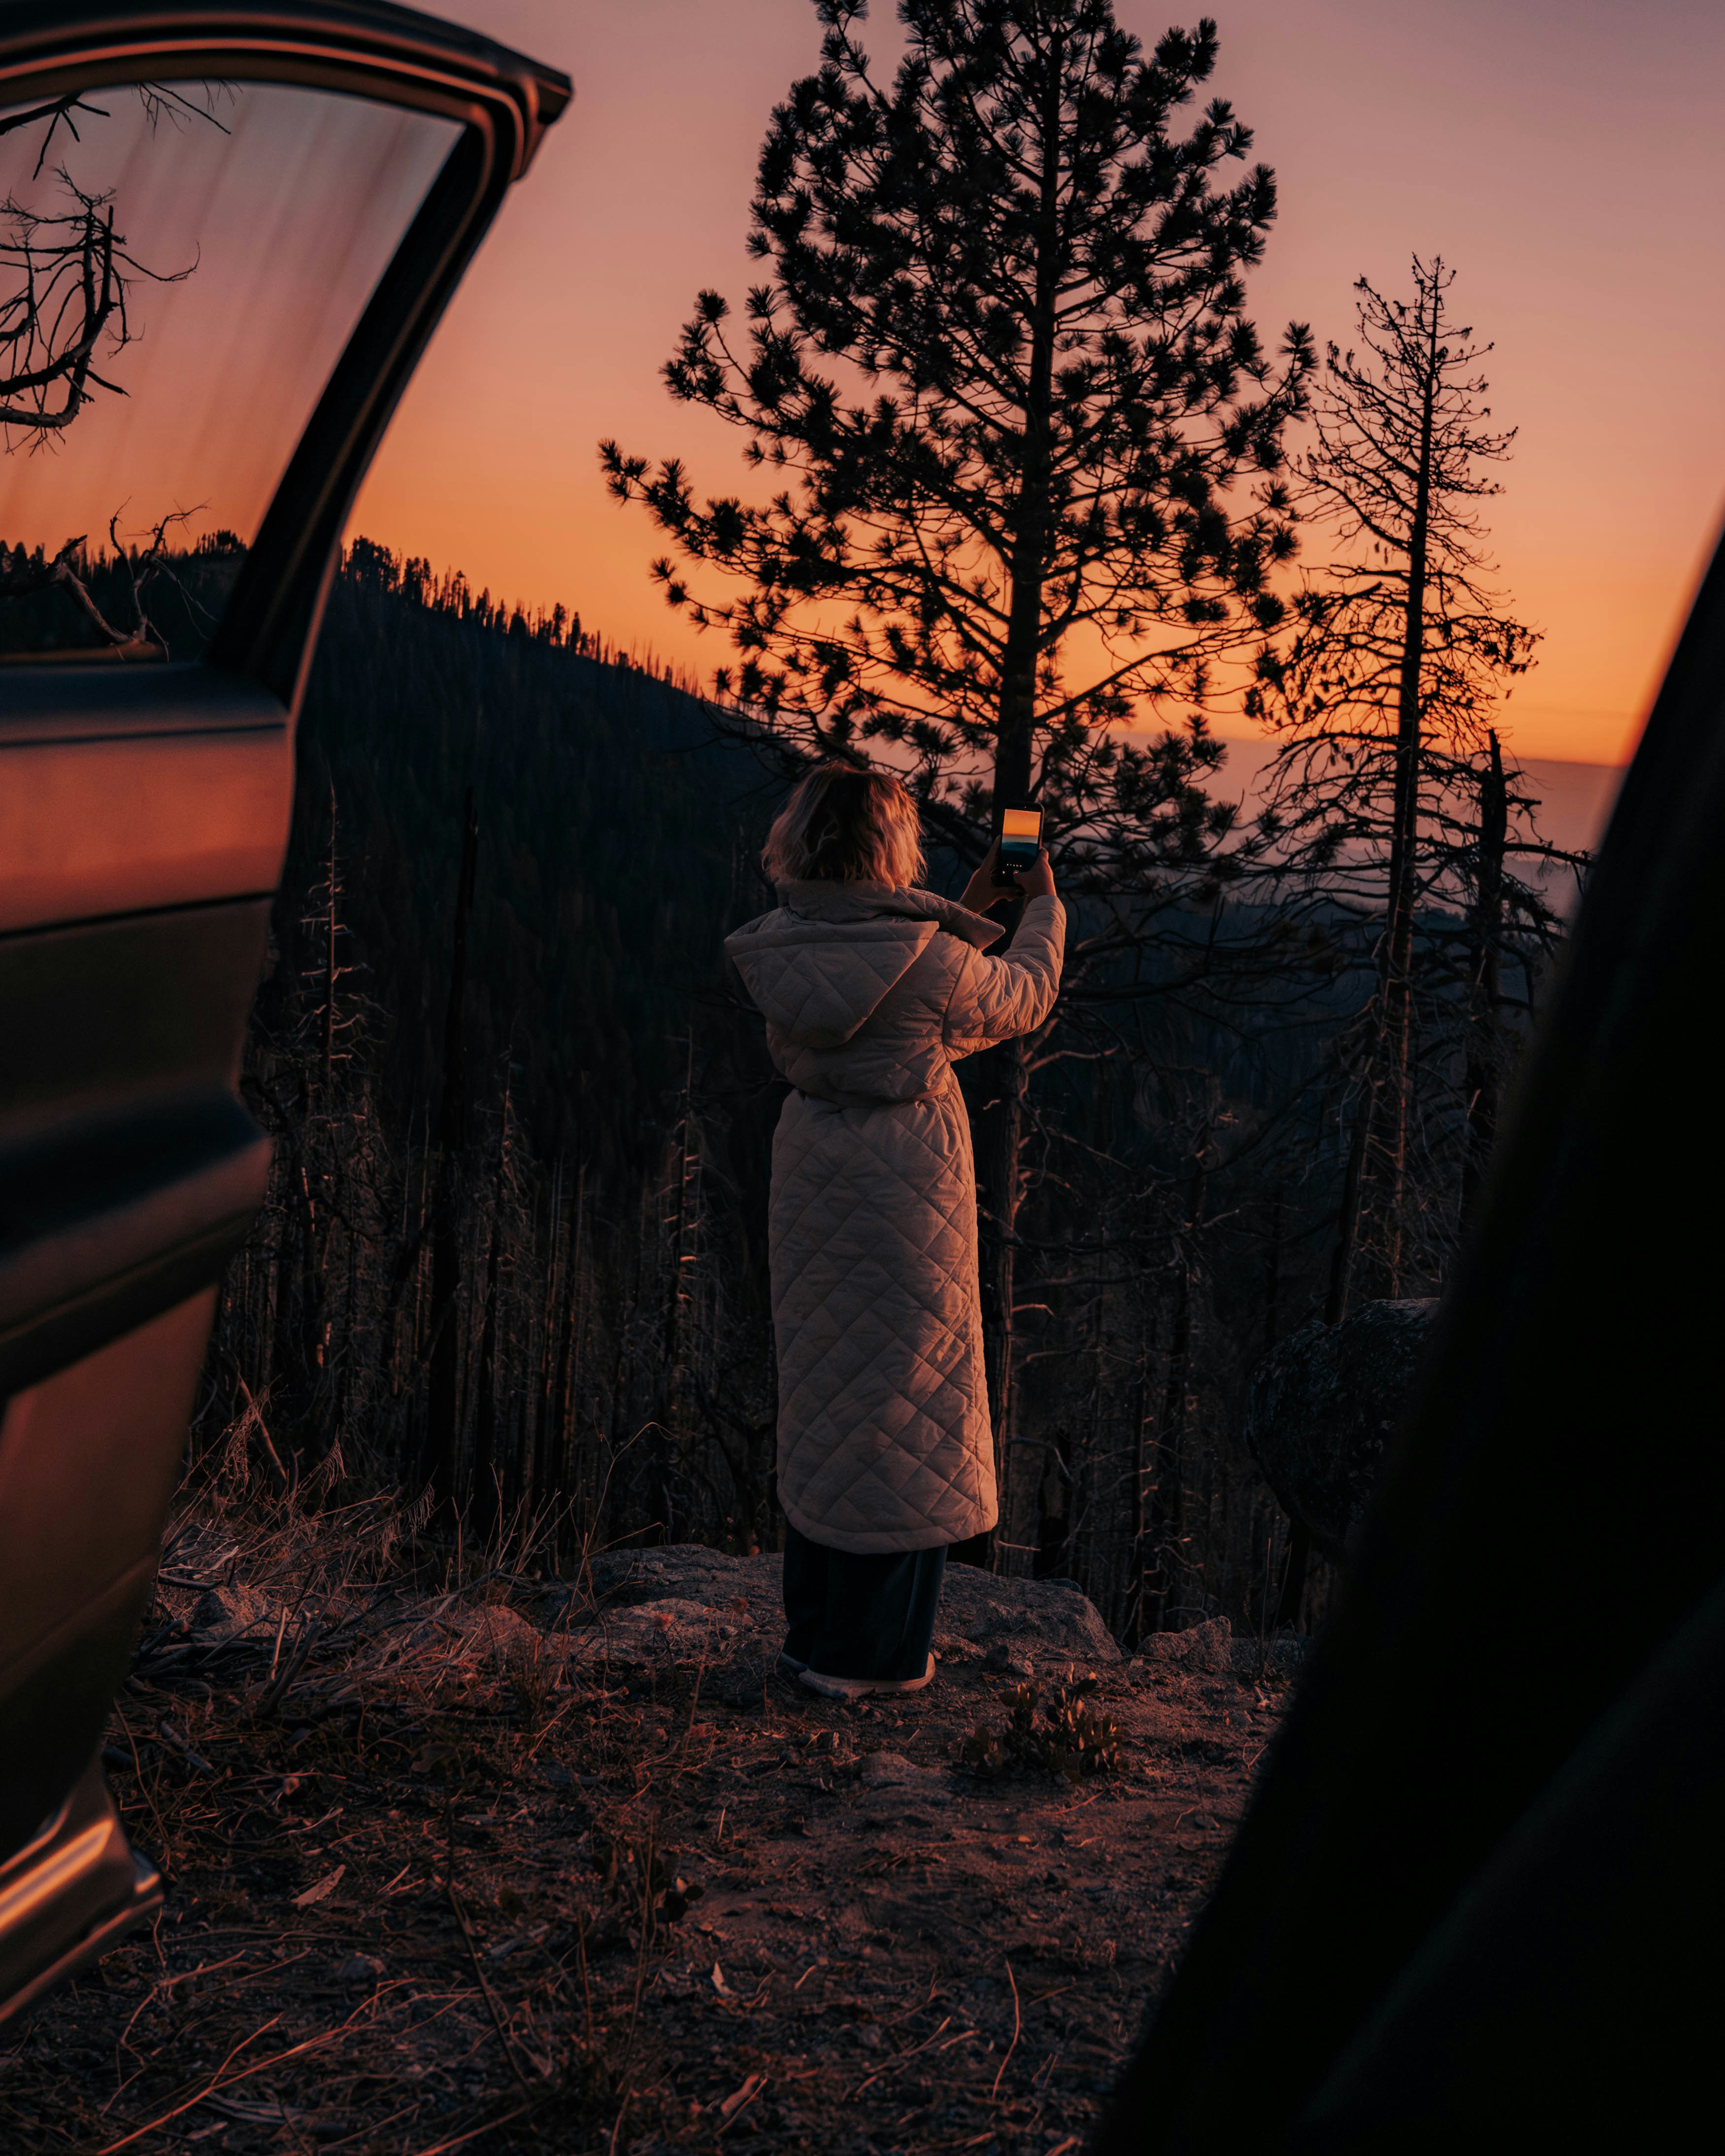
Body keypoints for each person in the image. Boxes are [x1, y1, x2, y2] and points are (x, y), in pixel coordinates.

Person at [724, 763, 1064, 1700]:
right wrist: (1041, 905)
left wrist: (960, 910)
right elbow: (1018, 996)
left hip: (810, 1178)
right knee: (904, 1402)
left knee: (830, 1399)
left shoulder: (785, 947)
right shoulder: (930, 961)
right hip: (904, 1190)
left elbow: (894, 998)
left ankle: (815, 1633)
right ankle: (869, 1658)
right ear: (888, 848)